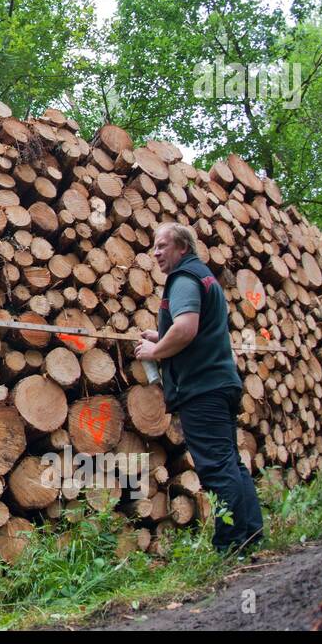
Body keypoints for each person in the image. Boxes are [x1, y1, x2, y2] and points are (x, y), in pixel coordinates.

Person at [134, 221, 264, 555]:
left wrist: (154, 351)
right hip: (219, 384)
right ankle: (250, 534)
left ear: (182, 248)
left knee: (217, 468)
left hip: (202, 388)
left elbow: (187, 328)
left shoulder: (184, 278)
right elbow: (191, 330)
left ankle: (231, 545)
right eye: (155, 246)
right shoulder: (203, 277)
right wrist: (161, 337)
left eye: (163, 245)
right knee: (231, 463)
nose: (156, 252)